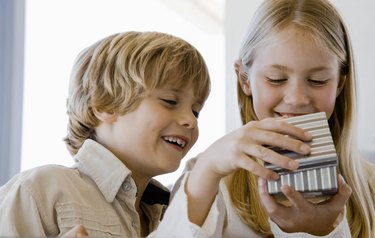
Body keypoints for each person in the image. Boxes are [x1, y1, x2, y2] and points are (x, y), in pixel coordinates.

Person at [153, 0, 375, 237]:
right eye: (276, 79)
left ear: (340, 84)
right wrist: (207, 168)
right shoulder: (209, 179)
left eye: (318, 80)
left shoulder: (370, 186)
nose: (296, 98)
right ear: (245, 79)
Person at [0, 31, 210, 237]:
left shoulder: (176, 211)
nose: (190, 120)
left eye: (196, 111)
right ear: (105, 105)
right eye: (170, 101)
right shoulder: (40, 190)